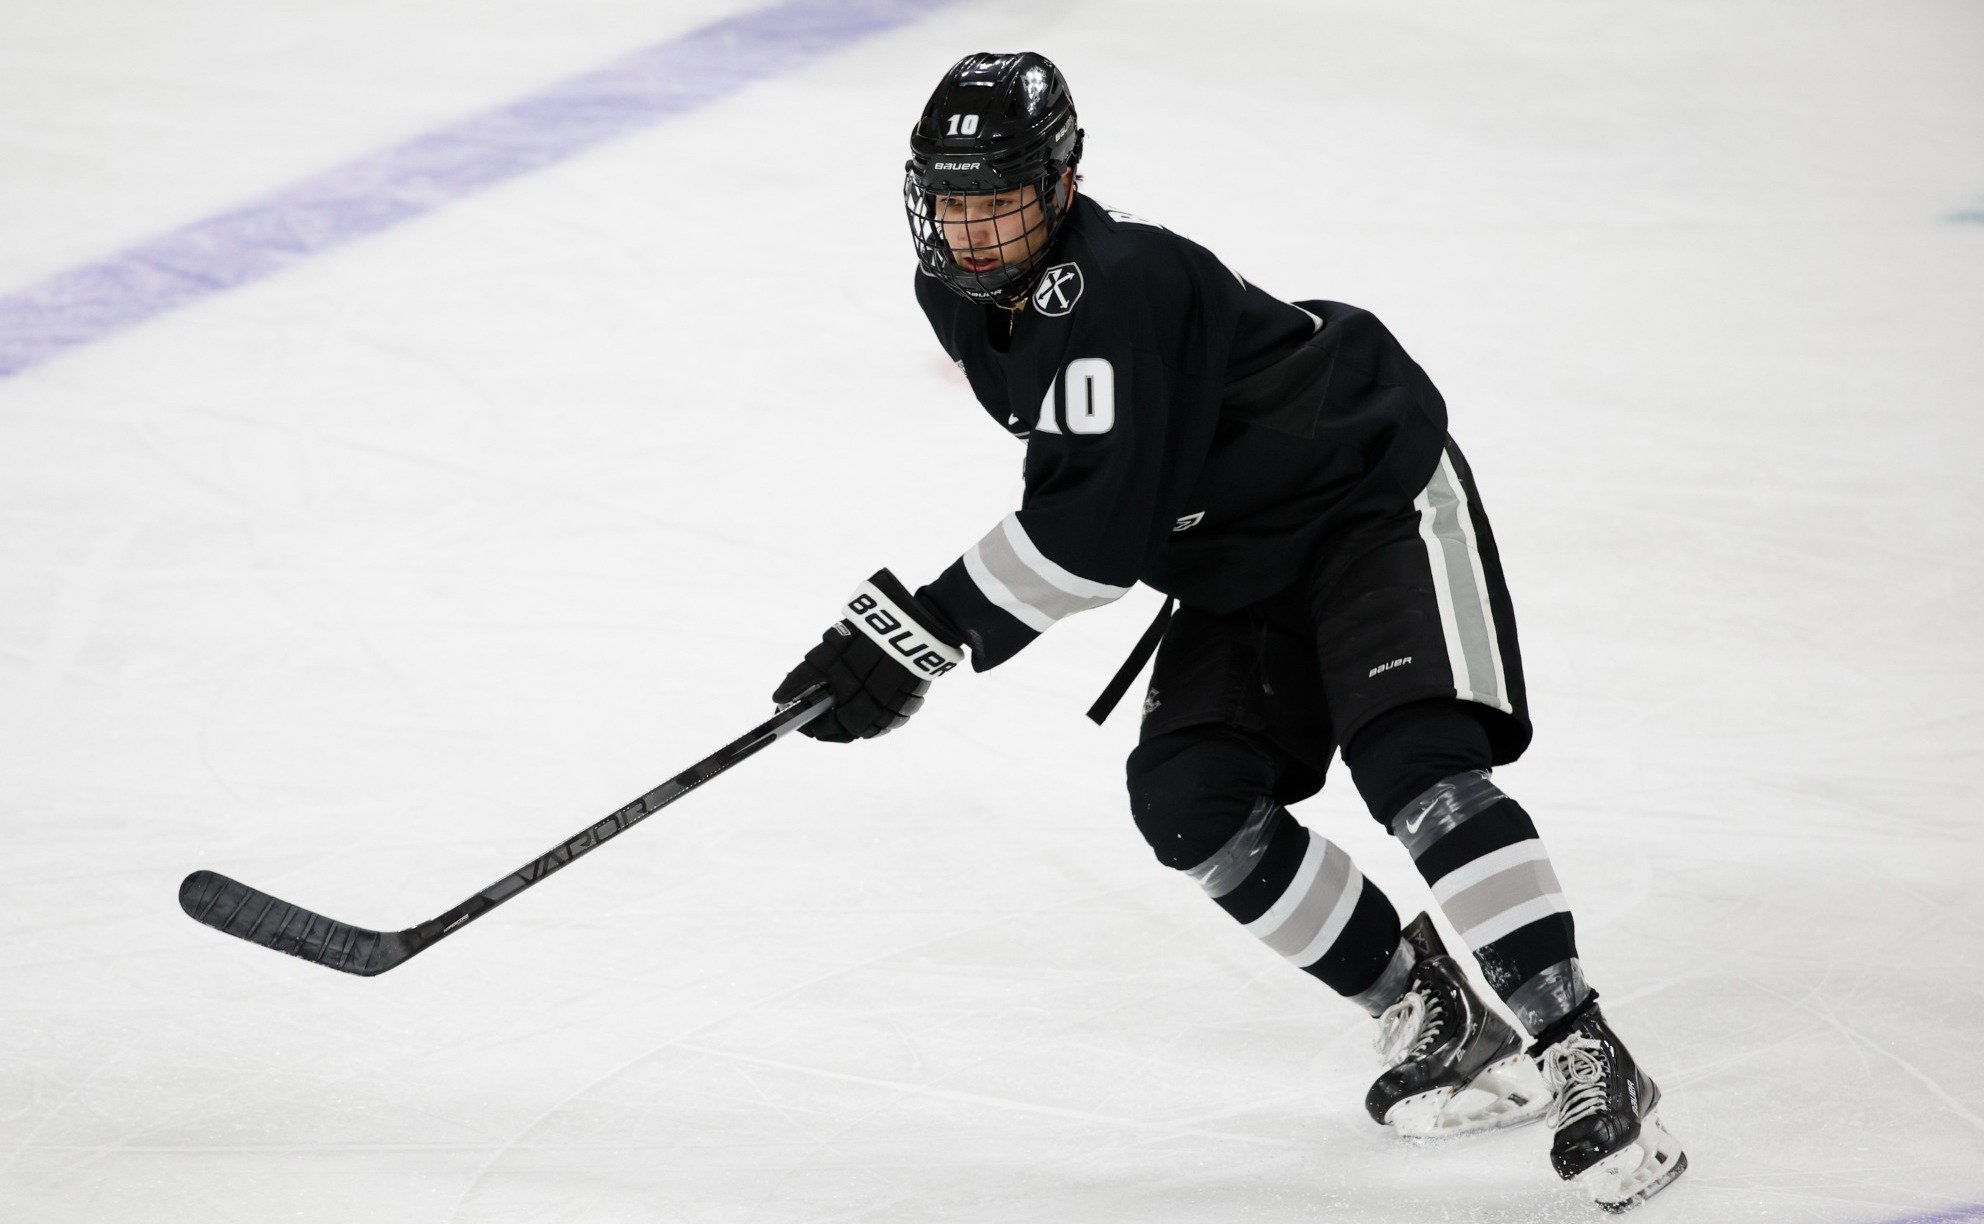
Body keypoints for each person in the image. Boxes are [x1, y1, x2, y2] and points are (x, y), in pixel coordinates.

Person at [772, 51, 1687, 1212]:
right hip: (1231, 558)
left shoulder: (1123, 285)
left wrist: (926, 628)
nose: (972, 229)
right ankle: (1434, 1012)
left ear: (1061, 183)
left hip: (1363, 505)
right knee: (1189, 799)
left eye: (997, 197)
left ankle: (1579, 1044)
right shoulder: (955, 294)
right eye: (950, 199)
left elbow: (1094, 532)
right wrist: (927, 627)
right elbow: (1088, 479)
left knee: (1415, 766)